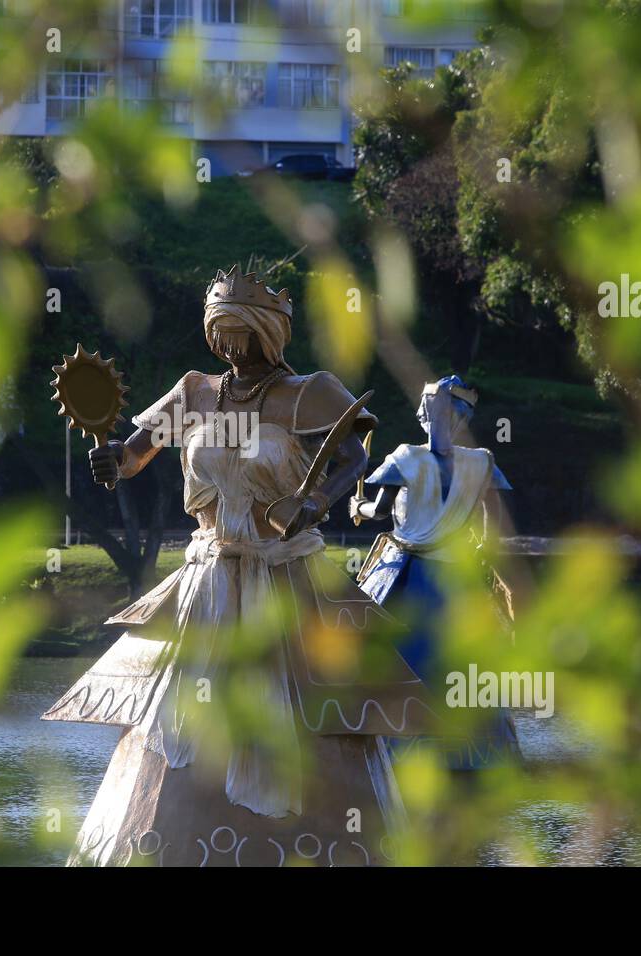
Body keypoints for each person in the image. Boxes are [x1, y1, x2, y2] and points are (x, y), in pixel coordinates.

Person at [43, 265, 438, 866]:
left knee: (309, 702)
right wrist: (115, 461)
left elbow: (354, 456)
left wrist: (317, 500)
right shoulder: (197, 392)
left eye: (241, 335)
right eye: (219, 334)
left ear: (268, 334)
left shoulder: (308, 392)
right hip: (208, 579)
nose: (230, 349)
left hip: (285, 575)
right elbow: (136, 451)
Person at [348, 375, 522, 769]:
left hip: (405, 576)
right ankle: (474, 754)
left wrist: (357, 508)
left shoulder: (406, 458)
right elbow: (492, 525)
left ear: (427, 415)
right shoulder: (481, 463)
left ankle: (379, 747)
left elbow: (378, 512)